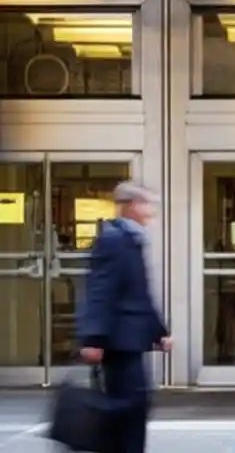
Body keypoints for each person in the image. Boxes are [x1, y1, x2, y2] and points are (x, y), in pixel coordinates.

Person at [78, 183, 171, 453]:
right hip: (118, 341)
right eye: (146, 204)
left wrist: (158, 332)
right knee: (129, 405)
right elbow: (100, 291)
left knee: (132, 405)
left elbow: (139, 293)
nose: (150, 212)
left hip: (128, 339)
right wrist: (93, 338)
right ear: (131, 206)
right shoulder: (114, 241)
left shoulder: (132, 240)